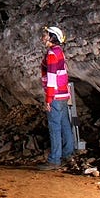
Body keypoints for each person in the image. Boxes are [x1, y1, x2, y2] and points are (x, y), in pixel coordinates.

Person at [39, 25, 76, 170]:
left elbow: (52, 77)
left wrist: (48, 99)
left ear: (51, 37)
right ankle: (68, 153)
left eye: (46, 35)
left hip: (55, 95)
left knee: (54, 126)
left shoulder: (52, 54)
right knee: (64, 123)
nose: (43, 37)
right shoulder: (59, 51)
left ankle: (54, 159)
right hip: (63, 94)